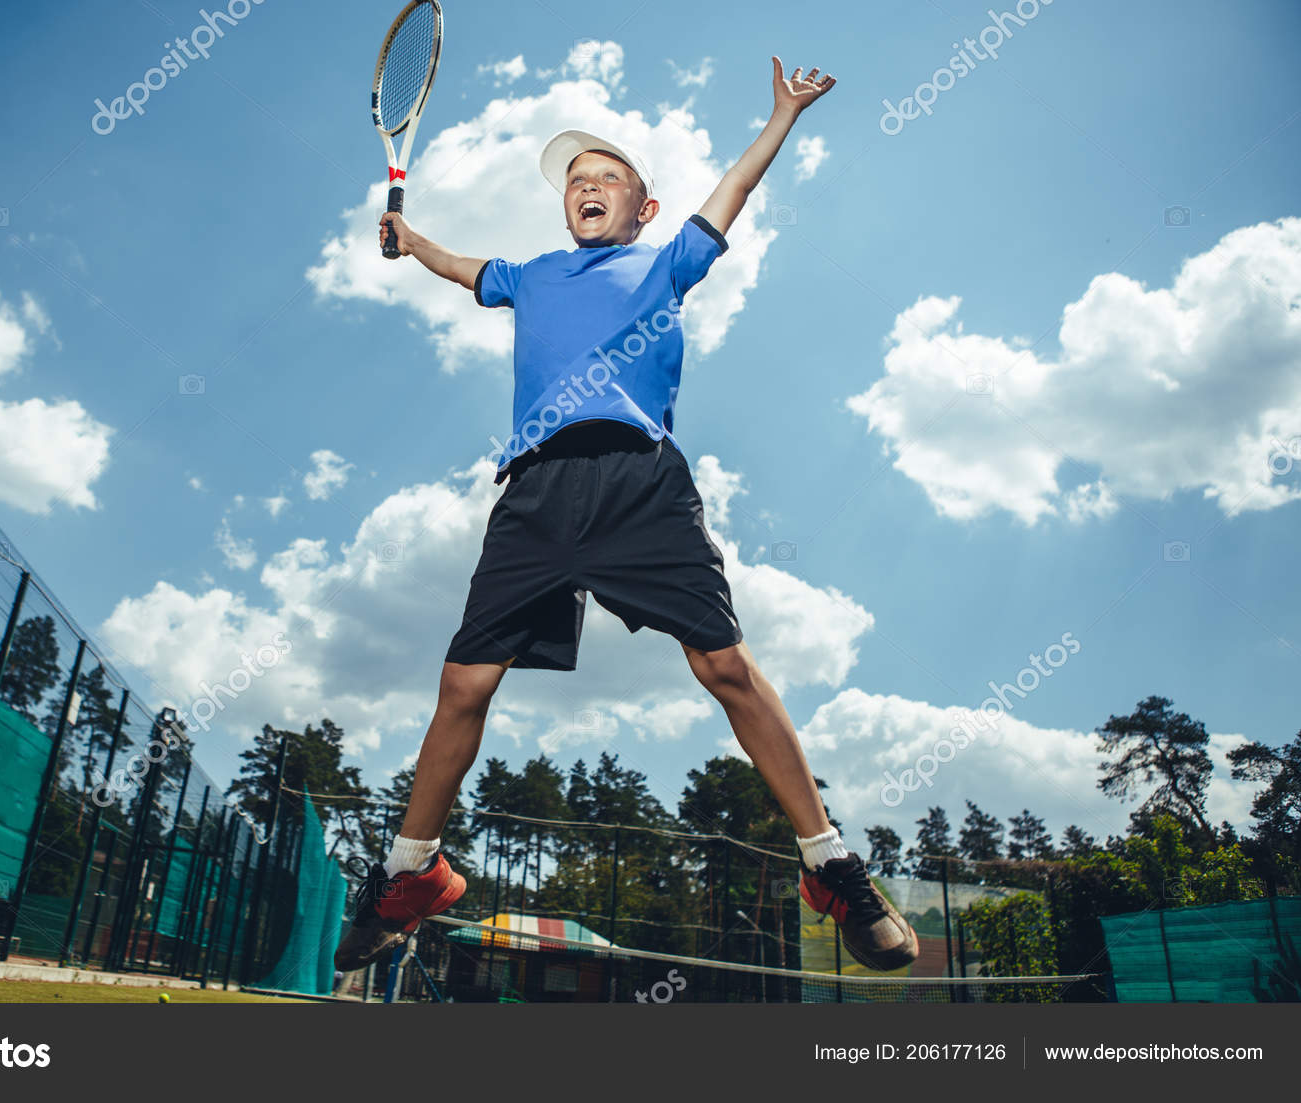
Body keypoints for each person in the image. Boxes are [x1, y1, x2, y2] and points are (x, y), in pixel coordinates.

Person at [334, 57, 918, 976]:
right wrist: (410, 240)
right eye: (576, 183)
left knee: (724, 664)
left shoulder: (665, 261)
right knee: (463, 685)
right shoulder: (529, 275)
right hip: (535, 494)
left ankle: (831, 864)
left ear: (643, 208)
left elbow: (731, 190)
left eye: (608, 179)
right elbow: (460, 266)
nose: (587, 188)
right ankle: (410, 873)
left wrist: (783, 117)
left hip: (640, 481)